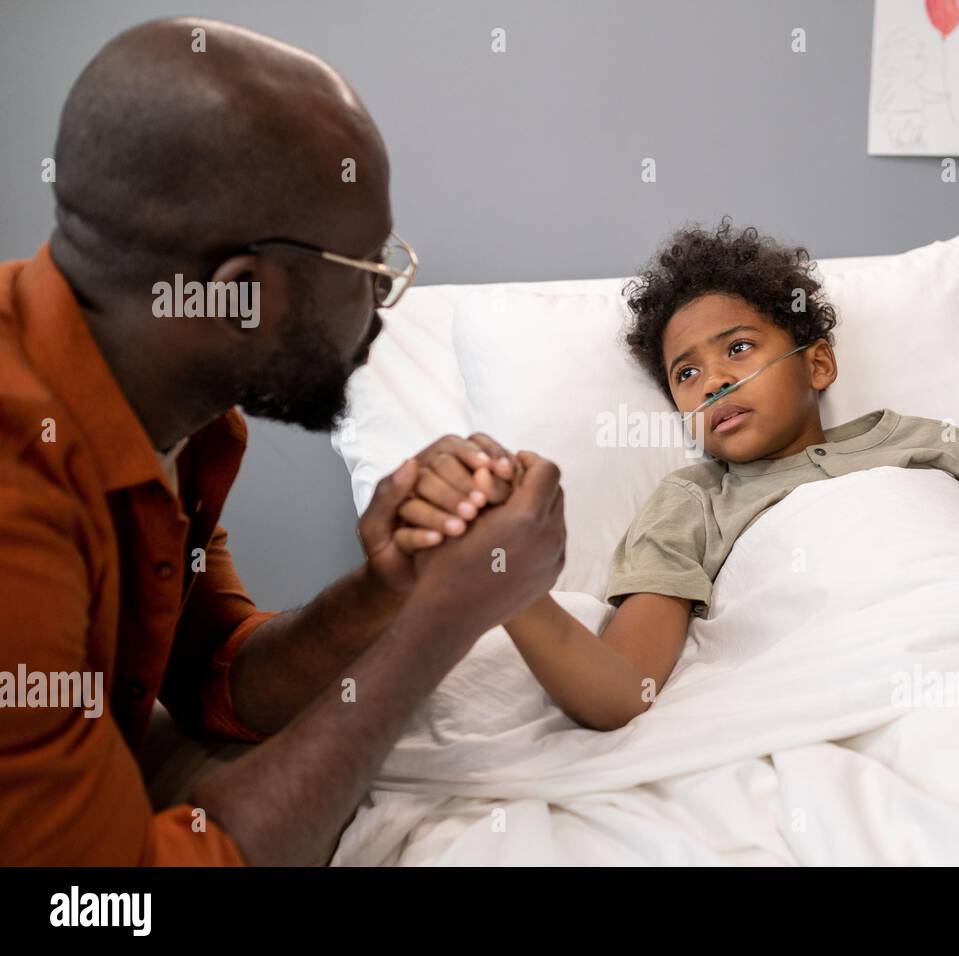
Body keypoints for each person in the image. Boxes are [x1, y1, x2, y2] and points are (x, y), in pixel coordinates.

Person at [0, 17, 563, 866]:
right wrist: (443, 624)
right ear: (240, 297)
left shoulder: (178, 418)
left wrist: (390, 588)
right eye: (371, 271)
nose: (384, 306)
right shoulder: (18, 487)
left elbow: (216, 681)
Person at [471, 219, 959, 732]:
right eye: (687, 373)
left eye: (738, 348)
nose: (714, 380)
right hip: (866, 698)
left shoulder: (931, 444)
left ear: (818, 365)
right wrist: (513, 593)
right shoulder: (692, 501)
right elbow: (622, 690)